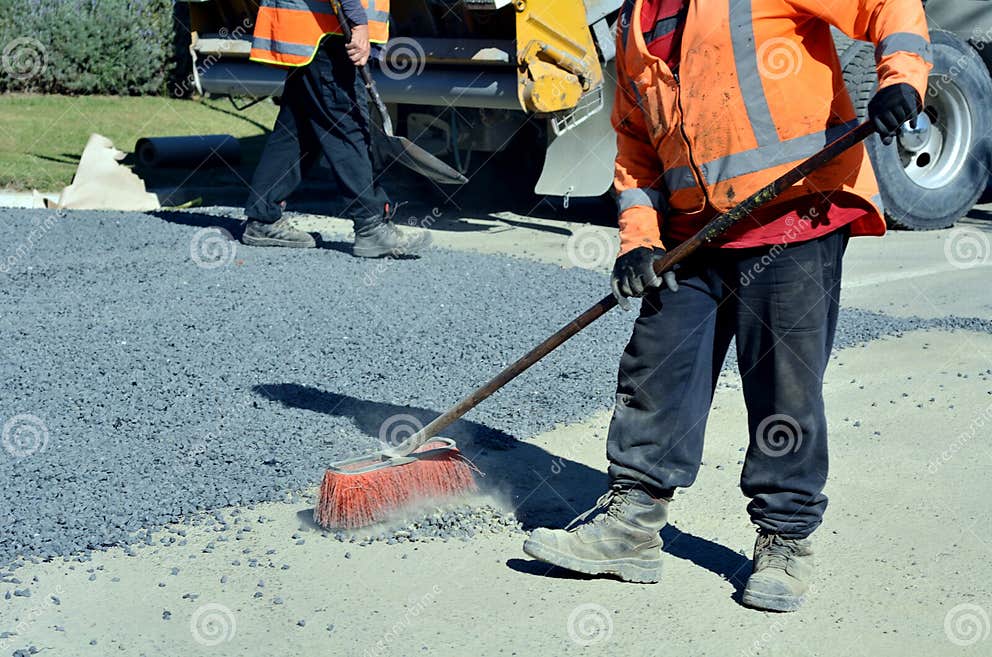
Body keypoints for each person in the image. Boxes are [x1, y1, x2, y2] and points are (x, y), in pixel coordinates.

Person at [523, 0, 930, 612]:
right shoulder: (636, 24)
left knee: (782, 386)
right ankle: (632, 522)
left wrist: (901, 81)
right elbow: (635, 143)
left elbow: (887, 7)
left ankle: (785, 541)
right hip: (697, 233)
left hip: (796, 214)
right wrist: (640, 241)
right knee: (656, 364)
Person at [243, 0, 431, 257]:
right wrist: (359, 22)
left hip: (314, 30)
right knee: (349, 125)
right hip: (325, 31)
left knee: (298, 128)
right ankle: (370, 224)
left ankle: (263, 218)